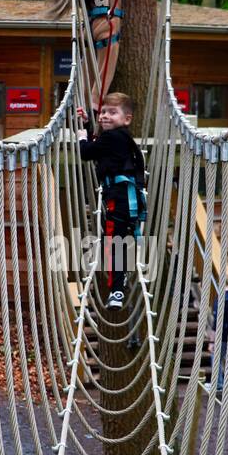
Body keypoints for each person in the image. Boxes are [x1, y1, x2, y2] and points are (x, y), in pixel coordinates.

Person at [77, 92, 146, 309]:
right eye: (103, 112)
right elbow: (100, 147)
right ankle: (120, 280)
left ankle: (117, 290)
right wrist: (88, 125)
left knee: (113, 243)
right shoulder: (120, 137)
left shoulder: (113, 137)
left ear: (126, 119)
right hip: (126, 198)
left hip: (120, 199)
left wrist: (80, 136)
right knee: (117, 241)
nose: (105, 116)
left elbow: (88, 152)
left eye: (112, 113)